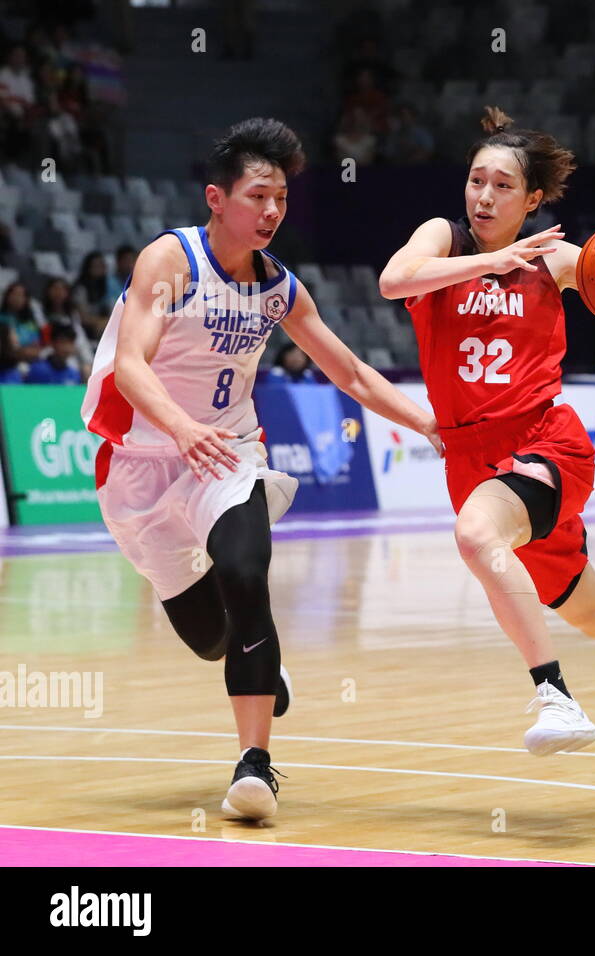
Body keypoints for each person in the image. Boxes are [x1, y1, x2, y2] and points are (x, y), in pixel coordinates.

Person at [81, 118, 441, 820]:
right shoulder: (171, 261)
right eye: (257, 196)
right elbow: (129, 366)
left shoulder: (279, 288)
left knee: (247, 575)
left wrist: (430, 424)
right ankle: (261, 664)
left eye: (280, 197)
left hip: (228, 452)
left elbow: (355, 373)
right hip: (140, 465)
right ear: (217, 199)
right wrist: (182, 429)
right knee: (211, 637)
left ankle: (256, 766)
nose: (272, 211)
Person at [380, 107, 595, 755]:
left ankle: (556, 699)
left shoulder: (554, 259)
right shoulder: (442, 239)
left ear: (533, 199)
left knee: (476, 538)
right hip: (470, 460)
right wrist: (492, 261)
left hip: (545, 442)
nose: (484, 195)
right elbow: (395, 281)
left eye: (503, 186)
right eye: (477, 180)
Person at [0, 280, 47, 364]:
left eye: (21, 295)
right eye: (14, 294)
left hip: (27, 360)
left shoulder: (30, 323)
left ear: (26, 299)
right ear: (7, 296)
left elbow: (36, 346)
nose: (17, 298)